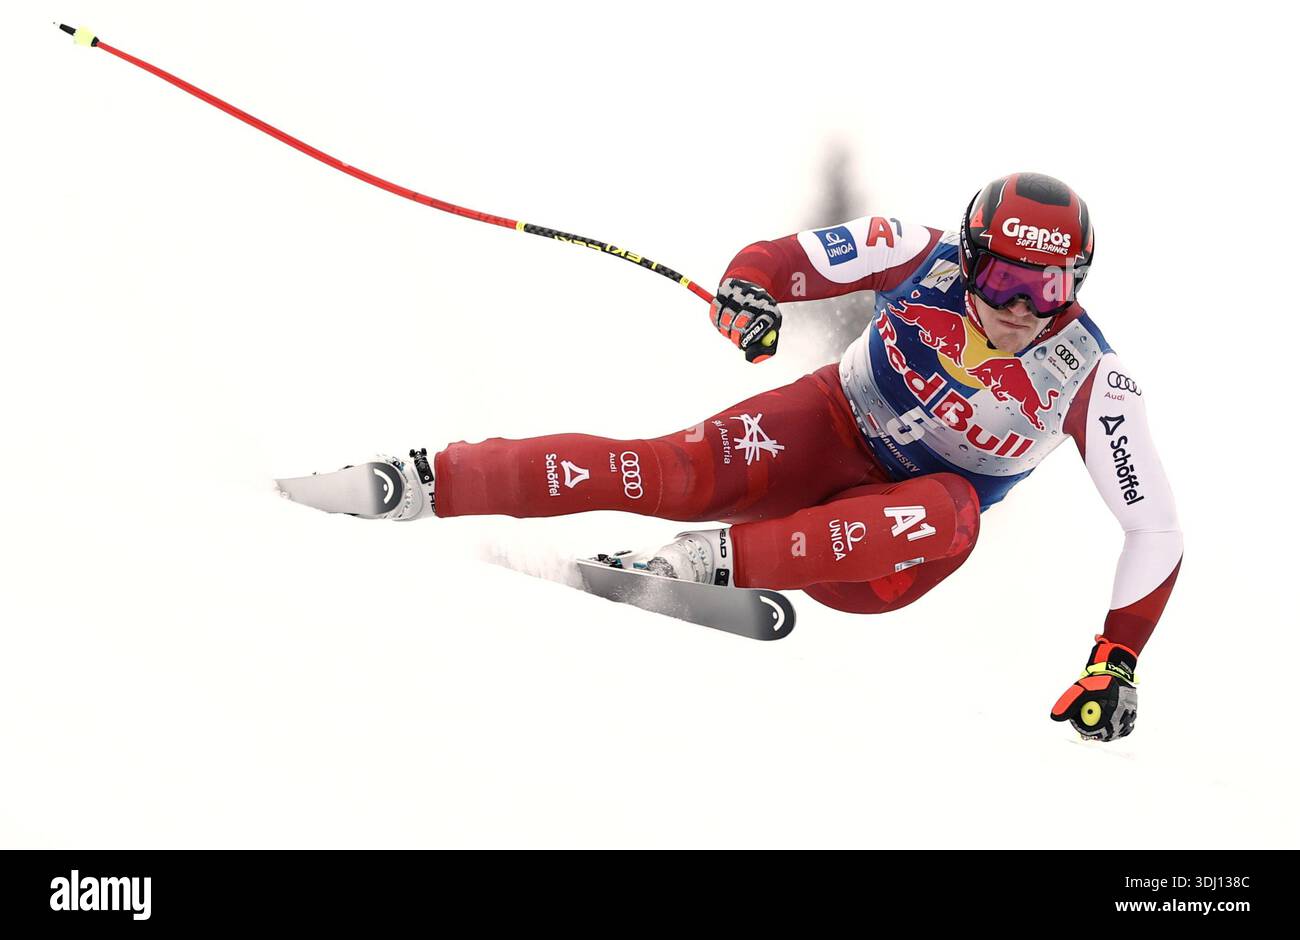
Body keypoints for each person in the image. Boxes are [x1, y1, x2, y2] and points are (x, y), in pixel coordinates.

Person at [277, 172, 1181, 742]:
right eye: (1003, 280)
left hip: (887, 552)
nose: (1024, 307)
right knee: (670, 470)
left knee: (953, 509)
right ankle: (427, 480)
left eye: (1050, 287)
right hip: (830, 423)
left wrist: (1116, 659)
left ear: (1077, 285)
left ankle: (709, 566)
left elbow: (1156, 528)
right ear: (969, 256)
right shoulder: (918, 255)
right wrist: (747, 296)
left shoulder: (1090, 376)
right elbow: (780, 263)